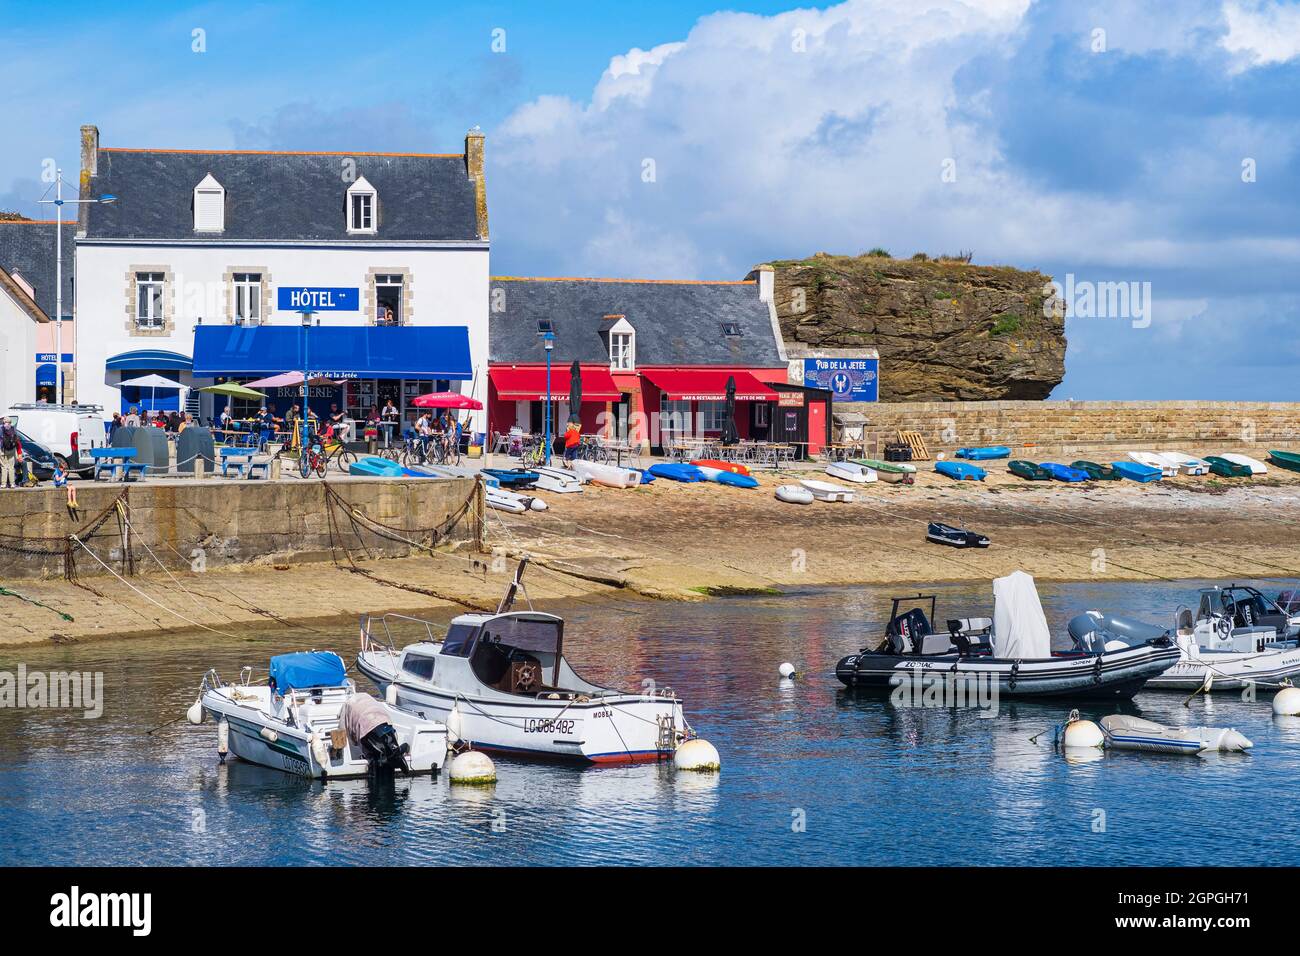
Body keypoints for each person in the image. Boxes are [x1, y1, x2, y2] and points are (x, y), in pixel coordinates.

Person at [0, 416, 18, 489]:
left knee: (4, 467)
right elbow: (16, 440)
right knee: (11, 467)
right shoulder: (13, 428)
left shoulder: (1, 428)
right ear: (10, 422)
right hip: (12, 450)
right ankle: (12, 484)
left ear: (4, 422)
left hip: (2, 450)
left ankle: (4, 484)